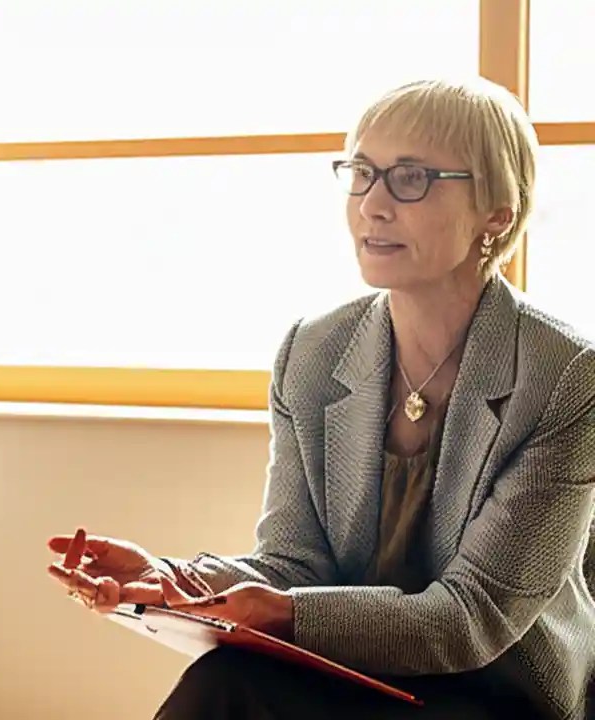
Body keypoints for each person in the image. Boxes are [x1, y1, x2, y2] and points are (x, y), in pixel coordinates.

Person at [47, 76, 595, 719]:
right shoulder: (312, 352)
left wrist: (283, 613)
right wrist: (174, 580)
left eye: (410, 178)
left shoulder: (566, 376)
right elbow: (293, 565)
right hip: (354, 670)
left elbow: (471, 619)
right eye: (361, 173)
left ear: (497, 212)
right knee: (223, 678)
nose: (372, 205)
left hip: (497, 692)